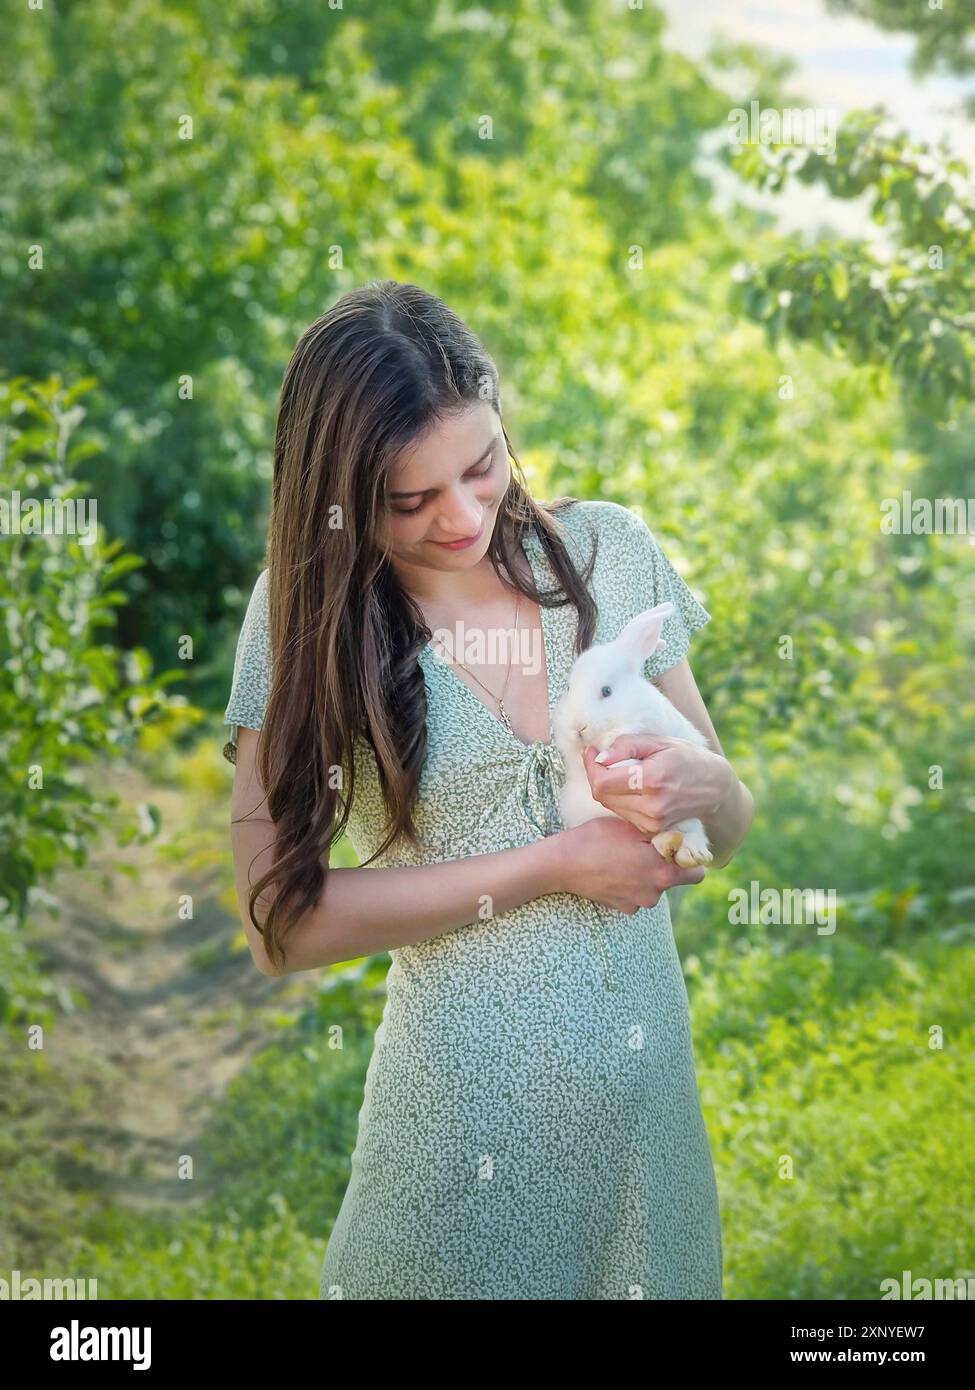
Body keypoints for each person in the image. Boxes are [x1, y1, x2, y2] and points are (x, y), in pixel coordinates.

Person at [222, 279, 754, 1300]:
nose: (461, 516)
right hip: (459, 1145)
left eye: (481, 466)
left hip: (647, 1127)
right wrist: (553, 865)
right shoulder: (304, 620)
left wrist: (706, 788)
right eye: (409, 500)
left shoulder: (610, 552)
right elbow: (279, 925)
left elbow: (718, 830)